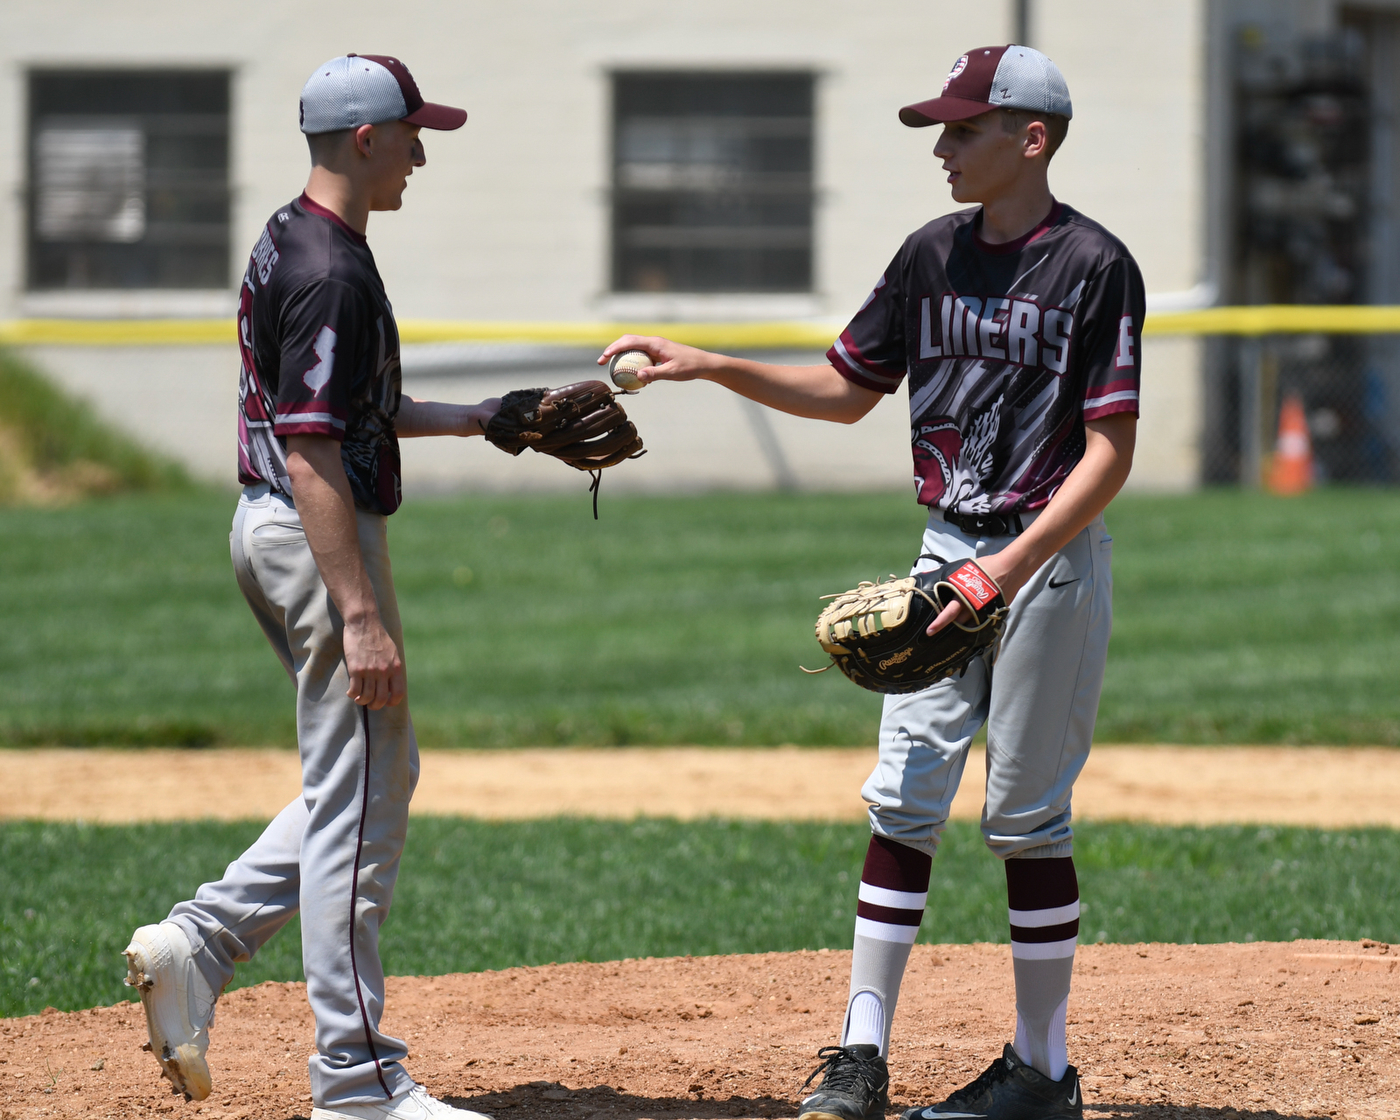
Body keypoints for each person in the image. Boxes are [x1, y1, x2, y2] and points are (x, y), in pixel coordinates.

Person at [599, 44, 1142, 1120]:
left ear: (1028, 139)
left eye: (961, 129)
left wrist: (1009, 567)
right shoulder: (927, 255)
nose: (939, 147)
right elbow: (847, 386)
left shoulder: (1092, 264)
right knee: (901, 798)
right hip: (947, 552)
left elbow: (1108, 451)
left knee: (1026, 819)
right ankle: (858, 1053)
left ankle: (1040, 1070)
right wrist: (710, 363)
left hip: (1045, 564)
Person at [122, 54, 501, 1120]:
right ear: (365, 138)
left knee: (373, 771)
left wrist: (481, 419)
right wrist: (361, 610)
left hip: (272, 528)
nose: (423, 152)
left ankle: (200, 940)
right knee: (359, 801)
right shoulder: (332, 267)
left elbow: (343, 408)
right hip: (312, 528)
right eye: (413, 133)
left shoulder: (295, 236)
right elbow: (311, 450)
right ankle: (356, 1076)